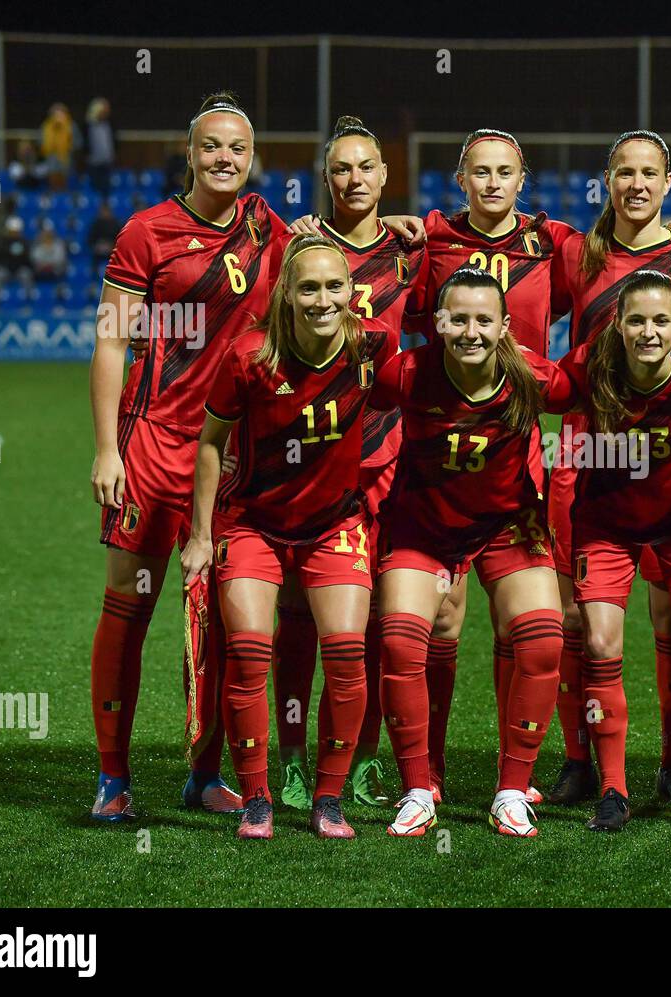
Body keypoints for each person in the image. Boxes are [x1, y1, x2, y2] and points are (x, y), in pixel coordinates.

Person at [399, 128, 671, 804]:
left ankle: (663, 763)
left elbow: (643, 278)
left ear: (523, 179)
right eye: (480, 171)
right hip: (467, 450)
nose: (493, 182)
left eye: (506, 171)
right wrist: (404, 228)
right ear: (460, 177)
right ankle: (533, 764)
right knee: (494, 615)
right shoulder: (435, 241)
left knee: (559, 616)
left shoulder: (559, 244)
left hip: (535, 444)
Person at [88, 91, 287, 822]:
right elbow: (112, 338)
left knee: (221, 622)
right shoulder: (147, 233)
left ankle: (204, 774)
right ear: (190, 151)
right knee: (130, 607)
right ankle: (113, 776)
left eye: (237, 148)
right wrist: (108, 448)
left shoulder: (270, 228)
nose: (224, 159)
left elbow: (340, 260)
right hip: (152, 450)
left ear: (252, 153)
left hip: (234, 462)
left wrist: (401, 230)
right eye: (211, 147)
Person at [180, 234, 393, 840]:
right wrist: (200, 536)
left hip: (334, 525)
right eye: (309, 287)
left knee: (348, 653)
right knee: (248, 650)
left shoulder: (373, 345)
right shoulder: (250, 357)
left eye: (334, 287)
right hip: (254, 523)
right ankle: (255, 797)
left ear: (351, 294)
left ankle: (329, 798)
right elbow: (209, 444)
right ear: (286, 296)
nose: (323, 299)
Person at [546, 129, 671, 807]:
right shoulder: (574, 250)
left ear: (669, 182)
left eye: (650, 174)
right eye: (625, 173)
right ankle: (577, 760)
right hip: (586, 460)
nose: (637, 185)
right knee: (577, 622)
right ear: (607, 180)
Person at [372, 268, 567, 838]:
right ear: (437, 324)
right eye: (458, 319)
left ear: (506, 327)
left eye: (485, 319)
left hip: (507, 524)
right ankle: (418, 788)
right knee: (401, 637)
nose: (471, 331)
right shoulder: (407, 374)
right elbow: (333, 391)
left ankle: (511, 789)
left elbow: (606, 385)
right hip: (424, 527)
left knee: (542, 634)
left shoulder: (532, 377)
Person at [270, 115, 426, 812]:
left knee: (369, 622)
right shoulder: (298, 247)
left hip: (387, 459)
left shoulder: (411, 249)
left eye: (366, 167)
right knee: (298, 616)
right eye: (341, 169)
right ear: (325, 176)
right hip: (309, 461)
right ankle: (294, 759)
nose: (355, 179)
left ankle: (361, 760)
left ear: (384, 174)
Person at [557, 269, 671, 833]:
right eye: (636, 319)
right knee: (602, 643)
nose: (648, 331)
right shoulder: (591, 368)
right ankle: (612, 788)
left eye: (662, 320)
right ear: (619, 322)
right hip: (607, 526)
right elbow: (531, 387)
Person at [0, 215, 34, 299]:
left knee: (26, 274)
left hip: (19, 269)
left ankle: (28, 301)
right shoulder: (2, 242)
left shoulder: (25, 243)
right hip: (6, 269)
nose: (14, 234)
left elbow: (28, 259)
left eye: (16, 231)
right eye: (12, 231)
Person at [40, 103, 79, 188]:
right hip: (51, 162)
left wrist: (69, 146)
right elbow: (41, 143)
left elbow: (77, 143)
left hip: (66, 162)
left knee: (66, 185)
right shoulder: (46, 127)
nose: (58, 116)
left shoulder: (71, 126)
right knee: (53, 184)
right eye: (55, 114)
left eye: (61, 113)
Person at [83, 98, 116, 197]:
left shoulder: (109, 124)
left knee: (106, 190)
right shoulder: (88, 126)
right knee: (94, 190)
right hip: (94, 163)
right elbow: (85, 143)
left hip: (107, 162)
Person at [88, 202, 122, 266]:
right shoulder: (95, 224)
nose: (105, 213)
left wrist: (111, 246)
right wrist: (97, 246)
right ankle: (94, 274)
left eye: (106, 211)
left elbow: (120, 240)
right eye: (103, 211)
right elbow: (90, 240)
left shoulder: (116, 224)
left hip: (112, 250)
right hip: (98, 252)